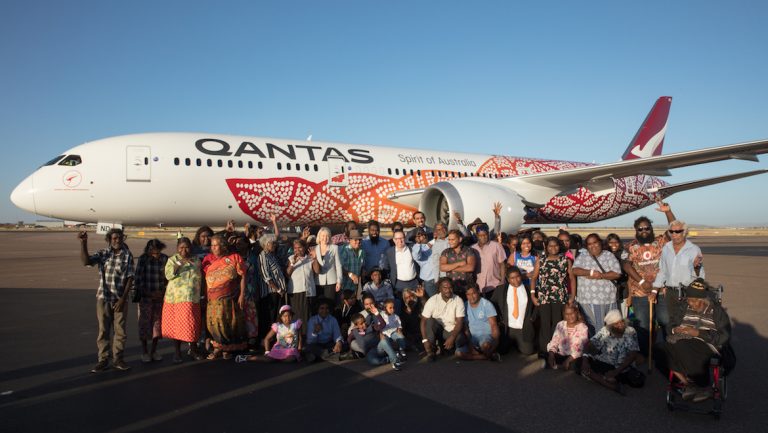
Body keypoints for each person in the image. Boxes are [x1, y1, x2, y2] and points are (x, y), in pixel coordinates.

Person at [665, 278, 732, 402]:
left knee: (679, 346)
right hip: (682, 341)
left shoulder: (716, 311)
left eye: (694, 300)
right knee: (662, 349)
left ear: (703, 300)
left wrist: (698, 333)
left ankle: (701, 384)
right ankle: (691, 385)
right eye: (689, 299)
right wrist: (675, 330)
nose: (690, 303)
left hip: (707, 344)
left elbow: (724, 336)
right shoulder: (683, 307)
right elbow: (670, 326)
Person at [79, 228, 134, 372]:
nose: (117, 240)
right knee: (103, 330)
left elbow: (130, 278)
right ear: (109, 240)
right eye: (114, 238)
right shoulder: (103, 253)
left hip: (119, 299)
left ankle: (118, 359)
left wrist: (123, 299)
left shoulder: (127, 255)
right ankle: (103, 359)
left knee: (120, 331)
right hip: (104, 297)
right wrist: (84, 243)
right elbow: (86, 261)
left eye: (120, 238)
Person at [652, 220, 705, 332]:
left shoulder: (694, 249)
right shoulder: (666, 248)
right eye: (672, 231)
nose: (674, 234)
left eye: (678, 231)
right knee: (672, 323)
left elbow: (700, 276)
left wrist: (697, 267)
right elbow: (662, 271)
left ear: (685, 232)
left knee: (687, 323)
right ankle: (673, 347)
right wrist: (654, 291)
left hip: (687, 293)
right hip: (670, 293)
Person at [202, 235, 247, 359]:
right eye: (212, 245)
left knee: (229, 323)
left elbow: (242, 276)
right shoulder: (208, 260)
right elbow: (204, 280)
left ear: (223, 246)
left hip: (229, 298)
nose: (214, 248)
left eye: (216, 245)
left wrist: (242, 294)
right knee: (215, 325)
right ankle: (218, 348)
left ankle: (227, 349)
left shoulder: (234, 258)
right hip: (213, 300)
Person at [580, 310, 644, 395]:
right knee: (580, 363)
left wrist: (615, 372)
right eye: (616, 324)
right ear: (610, 326)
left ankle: (597, 377)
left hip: (622, 367)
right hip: (605, 363)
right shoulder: (605, 330)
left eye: (621, 321)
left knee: (639, 382)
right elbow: (589, 344)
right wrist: (585, 361)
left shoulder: (630, 331)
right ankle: (612, 385)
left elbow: (633, 354)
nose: (620, 325)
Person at [530, 237, 575, 355]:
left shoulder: (566, 260)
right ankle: (544, 351)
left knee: (558, 324)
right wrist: (533, 295)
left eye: (555, 245)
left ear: (559, 246)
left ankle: (556, 350)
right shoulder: (541, 260)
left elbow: (572, 279)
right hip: (544, 297)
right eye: (550, 246)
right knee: (545, 324)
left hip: (560, 297)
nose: (553, 248)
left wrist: (572, 296)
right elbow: (534, 278)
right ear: (546, 247)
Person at [162, 237, 203, 363]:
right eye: (181, 248)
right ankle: (177, 352)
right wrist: (180, 263)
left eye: (186, 247)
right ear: (177, 248)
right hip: (176, 300)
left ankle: (193, 350)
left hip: (192, 298)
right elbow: (169, 275)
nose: (184, 250)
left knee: (192, 325)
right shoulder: (172, 260)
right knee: (177, 326)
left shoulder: (196, 260)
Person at [572, 233, 622, 333]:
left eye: (595, 242)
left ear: (600, 242)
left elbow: (617, 273)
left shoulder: (609, 255)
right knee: (593, 329)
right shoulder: (583, 256)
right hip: (588, 301)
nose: (593, 246)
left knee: (612, 328)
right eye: (589, 244)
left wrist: (600, 275)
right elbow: (575, 270)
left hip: (608, 300)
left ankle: (609, 348)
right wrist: (590, 272)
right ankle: (595, 348)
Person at [134, 239, 169, 363]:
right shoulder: (143, 259)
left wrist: (163, 292)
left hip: (159, 297)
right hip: (145, 297)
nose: (155, 254)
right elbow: (137, 279)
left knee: (157, 325)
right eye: (152, 251)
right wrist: (147, 293)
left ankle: (153, 350)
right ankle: (144, 351)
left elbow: (168, 279)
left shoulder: (165, 259)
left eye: (157, 251)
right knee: (144, 324)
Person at [420, 277, 467, 362]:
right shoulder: (432, 300)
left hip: (450, 330)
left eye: (450, 287)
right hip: (437, 329)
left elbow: (460, 322)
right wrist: (425, 340)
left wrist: (452, 337)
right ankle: (431, 351)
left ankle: (446, 348)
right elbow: (423, 321)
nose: (448, 290)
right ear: (439, 289)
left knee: (460, 339)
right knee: (430, 321)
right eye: (445, 288)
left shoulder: (458, 300)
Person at [491, 267, 536, 356]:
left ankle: (518, 343)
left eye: (517, 276)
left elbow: (536, 306)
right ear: (508, 279)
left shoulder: (529, 289)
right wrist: (499, 320)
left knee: (528, 351)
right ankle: (512, 342)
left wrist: (532, 318)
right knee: (502, 350)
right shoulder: (500, 290)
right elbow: (492, 304)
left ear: (521, 276)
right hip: (507, 328)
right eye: (512, 278)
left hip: (522, 328)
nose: (516, 280)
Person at [457, 284, 501, 361]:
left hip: (485, 337)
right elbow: (466, 328)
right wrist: (470, 344)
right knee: (458, 353)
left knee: (485, 346)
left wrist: (495, 343)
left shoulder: (486, 304)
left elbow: (494, 325)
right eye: (468, 294)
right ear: (466, 295)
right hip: (472, 338)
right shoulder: (465, 305)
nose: (471, 297)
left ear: (478, 292)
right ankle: (485, 356)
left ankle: (483, 353)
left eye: (473, 293)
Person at [258, 234, 287, 337]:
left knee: (277, 317)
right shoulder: (263, 255)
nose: (274, 245)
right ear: (266, 244)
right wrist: (278, 289)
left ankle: (276, 339)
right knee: (270, 317)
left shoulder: (273, 255)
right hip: (271, 292)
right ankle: (267, 340)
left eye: (275, 243)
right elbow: (266, 276)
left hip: (278, 292)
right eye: (272, 243)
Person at [545, 304, 589, 370]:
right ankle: (559, 364)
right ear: (563, 314)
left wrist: (568, 360)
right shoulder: (560, 324)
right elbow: (554, 341)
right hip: (561, 355)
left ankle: (562, 365)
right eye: (567, 314)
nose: (569, 316)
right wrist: (551, 354)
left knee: (578, 363)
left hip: (574, 357)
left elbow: (580, 348)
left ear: (576, 313)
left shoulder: (583, 327)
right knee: (546, 355)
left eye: (572, 313)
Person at [286, 239, 319, 325]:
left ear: (304, 248)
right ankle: (298, 335)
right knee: (297, 315)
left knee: (308, 314)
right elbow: (288, 274)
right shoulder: (291, 258)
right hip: (296, 291)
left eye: (299, 248)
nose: (297, 250)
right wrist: (293, 263)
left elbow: (317, 271)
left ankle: (308, 335)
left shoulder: (310, 258)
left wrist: (315, 259)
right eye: (295, 248)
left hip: (309, 291)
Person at [471, 223, 507, 297]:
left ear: (488, 234)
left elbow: (502, 264)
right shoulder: (472, 248)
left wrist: (502, 280)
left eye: (485, 234)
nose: (483, 237)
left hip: (495, 284)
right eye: (480, 235)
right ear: (477, 236)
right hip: (479, 285)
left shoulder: (496, 246)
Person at [440, 229, 476, 298]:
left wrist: (450, 268)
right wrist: (459, 264)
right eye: (449, 239)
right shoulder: (446, 252)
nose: (450, 242)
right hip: (452, 288)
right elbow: (442, 267)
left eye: (453, 239)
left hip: (467, 288)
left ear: (460, 239)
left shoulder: (468, 250)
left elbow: (471, 267)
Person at [314, 226, 343, 306]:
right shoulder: (314, 249)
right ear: (319, 237)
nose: (325, 238)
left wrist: (339, 281)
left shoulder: (335, 248)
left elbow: (338, 265)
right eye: (323, 236)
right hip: (318, 281)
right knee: (319, 304)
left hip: (331, 281)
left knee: (330, 304)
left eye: (327, 236)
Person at [605, 233, 629, 318]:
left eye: (616, 242)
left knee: (623, 317)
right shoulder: (604, 255)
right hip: (608, 292)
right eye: (611, 242)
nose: (614, 245)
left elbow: (628, 273)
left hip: (623, 290)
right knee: (611, 318)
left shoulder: (624, 254)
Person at [401, 286, 428, 351]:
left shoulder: (419, 303)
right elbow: (404, 328)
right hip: (412, 335)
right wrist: (409, 312)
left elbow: (427, 309)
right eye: (407, 298)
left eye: (411, 296)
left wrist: (422, 297)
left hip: (424, 332)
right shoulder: (404, 311)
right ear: (404, 300)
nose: (409, 299)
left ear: (414, 296)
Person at [340, 229, 365, 295]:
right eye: (356, 240)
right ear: (349, 240)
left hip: (355, 286)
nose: (358, 242)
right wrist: (350, 274)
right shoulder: (344, 250)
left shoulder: (362, 251)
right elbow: (339, 267)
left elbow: (362, 267)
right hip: (344, 286)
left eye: (360, 240)